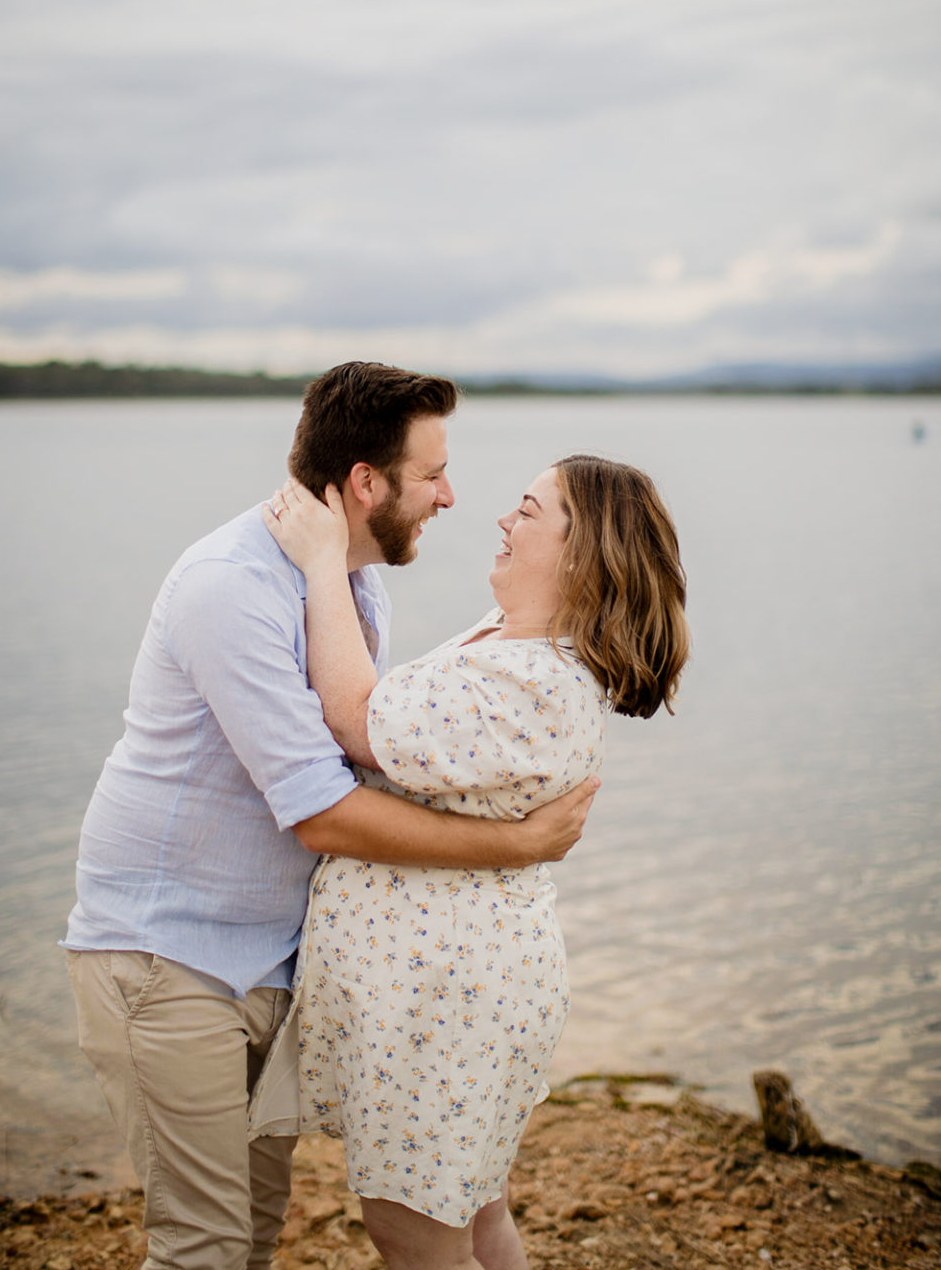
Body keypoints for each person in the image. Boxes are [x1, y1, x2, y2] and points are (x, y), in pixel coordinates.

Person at [61, 362, 598, 1270]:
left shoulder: (349, 584)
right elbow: (322, 811)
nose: (451, 496)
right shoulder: (230, 585)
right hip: (168, 951)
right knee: (202, 1244)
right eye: (432, 474)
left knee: (253, 1234)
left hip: (271, 957)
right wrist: (514, 845)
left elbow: (371, 750)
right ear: (365, 483)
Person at [250, 453, 690, 1270]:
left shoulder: (531, 680)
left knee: (419, 1236)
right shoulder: (514, 645)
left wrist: (318, 560)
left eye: (528, 511)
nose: (502, 519)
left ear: (580, 554)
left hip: (442, 1004)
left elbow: (357, 720)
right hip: (457, 993)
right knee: (476, 1218)